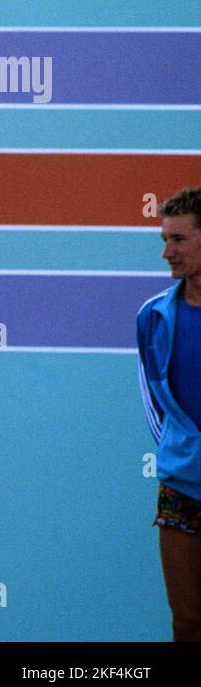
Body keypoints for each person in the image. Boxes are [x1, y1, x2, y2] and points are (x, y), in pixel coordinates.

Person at [138, 186, 201, 641]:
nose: (166, 252)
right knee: (187, 622)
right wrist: (184, 455)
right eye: (164, 240)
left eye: (178, 240)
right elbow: (156, 407)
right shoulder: (152, 317)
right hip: (181, 487)